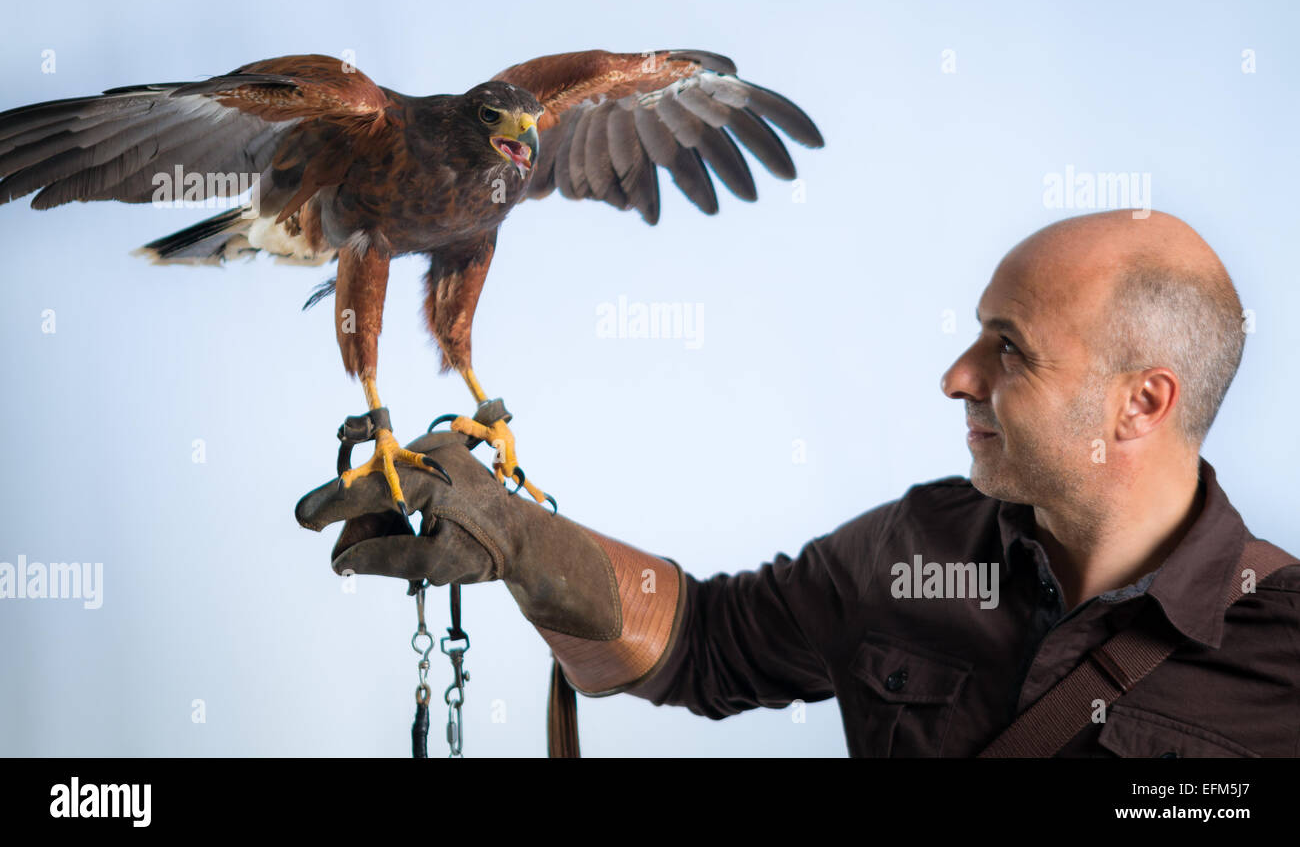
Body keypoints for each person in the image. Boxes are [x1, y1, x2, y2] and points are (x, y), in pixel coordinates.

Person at [297, 209, 1300, 757]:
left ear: (1143, 402)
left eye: (1009, 349)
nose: (957, 375)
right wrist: (519, 538)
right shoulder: (915, 548)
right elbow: (704, 638)